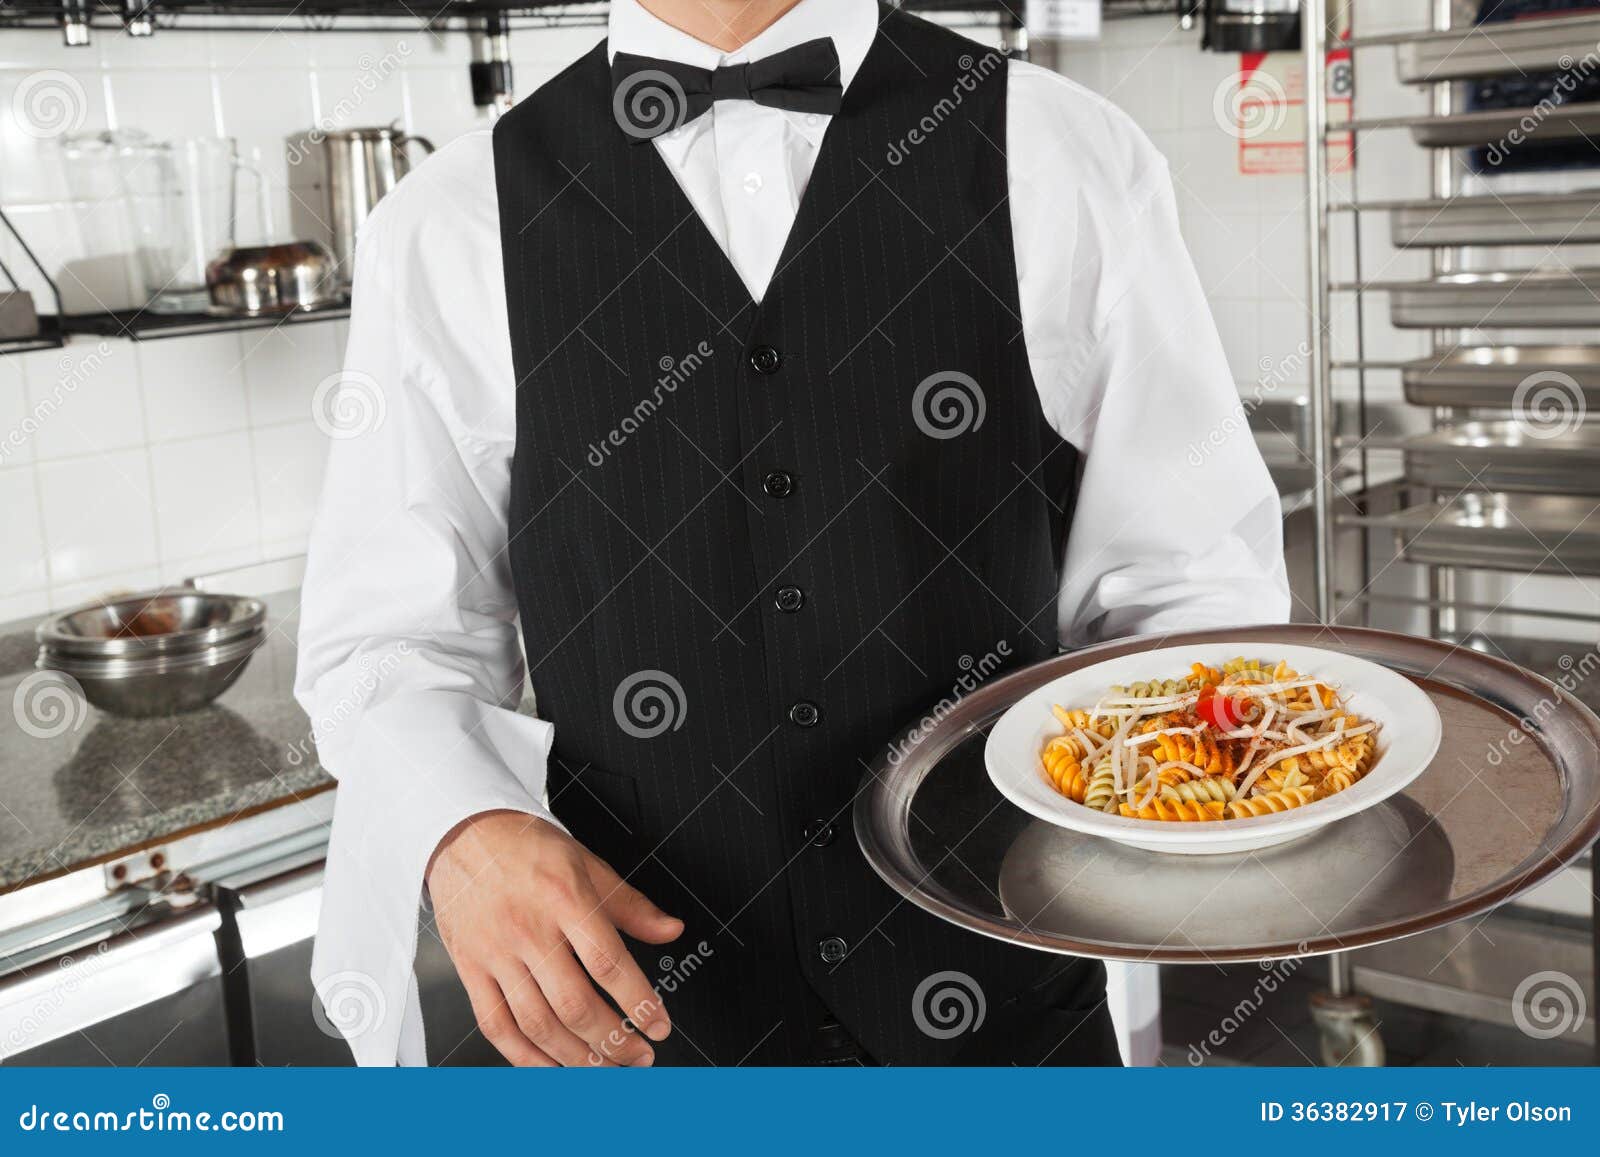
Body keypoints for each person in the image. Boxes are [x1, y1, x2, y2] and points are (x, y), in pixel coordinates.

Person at [295, 0, 1290, 1067]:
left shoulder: (1063, 150)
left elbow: (1188, 587)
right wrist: (463, 829)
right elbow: (387, 644)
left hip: (1010, 1013)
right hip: (649, 1033)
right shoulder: (448, 218)